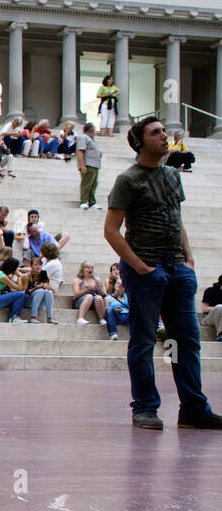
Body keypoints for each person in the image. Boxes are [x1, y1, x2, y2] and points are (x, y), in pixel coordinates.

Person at [104, 115, 221, 429]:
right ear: (140, 143)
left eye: (163, 132)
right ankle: (144, 407)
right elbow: (111, 230)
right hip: (146, 270)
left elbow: (176, 218)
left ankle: (194, 409)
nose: (164, 136)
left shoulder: (172, 175)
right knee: (143, 341)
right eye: (156, 133)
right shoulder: (128, 179)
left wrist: (189, 260)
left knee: (186, 341)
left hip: (177, 269)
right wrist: (140, 266)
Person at [0, 257, 28, 322]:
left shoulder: (0, 273)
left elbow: (12, 289)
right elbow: (19, 289)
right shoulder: (2, 276)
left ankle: (14, 316)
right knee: (21, 294)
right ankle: (13, 318)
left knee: (19, 293)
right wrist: (19, 275)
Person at [76, 122, 103, 210]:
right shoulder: (84, 137)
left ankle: (92, 202)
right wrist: (82, 165)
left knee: (93, 184)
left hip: (95, 165)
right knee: (86, 184)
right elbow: (80, 151)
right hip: (88, 164)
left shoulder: (92, 139)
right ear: (91, 130)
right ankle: (83, 201)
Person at [23, 255, 56, 323]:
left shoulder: (45, 275)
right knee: (40, 291)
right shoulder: (27, 276)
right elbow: (23, 293)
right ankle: (33, 317)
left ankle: (49, 318)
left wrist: (44, 285)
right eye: (35, 265)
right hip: (29, 301)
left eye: (40, 265)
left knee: (48, 292)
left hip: (40, 302)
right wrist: (35, 288)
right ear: (31, 266)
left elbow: (53, 290)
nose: (38, 266)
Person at [200, 275, 222, 342]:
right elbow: (204, 308)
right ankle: (220, 335)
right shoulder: (210, 290)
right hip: (208, 318)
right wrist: (216, 309)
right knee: (219, 307)